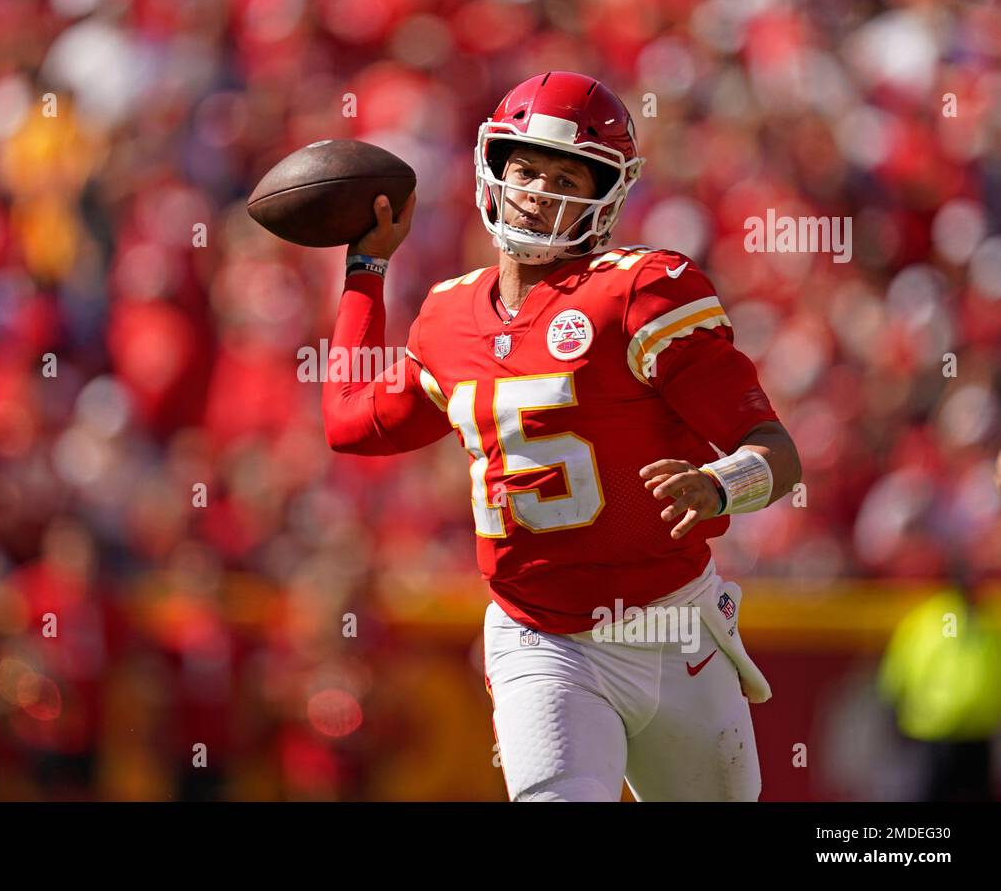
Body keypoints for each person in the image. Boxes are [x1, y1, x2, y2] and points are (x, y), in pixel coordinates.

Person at [321, 71, 802, 801]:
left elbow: (778, 453)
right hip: (539, 636)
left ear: (606, 190)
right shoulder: (449, 316)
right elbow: (350, 424)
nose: (541, 191)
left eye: (566, 175)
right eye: (527, 171)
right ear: (494, 172)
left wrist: (718, 485)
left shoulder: (643, 291)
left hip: (671, 629)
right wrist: (365, 272)